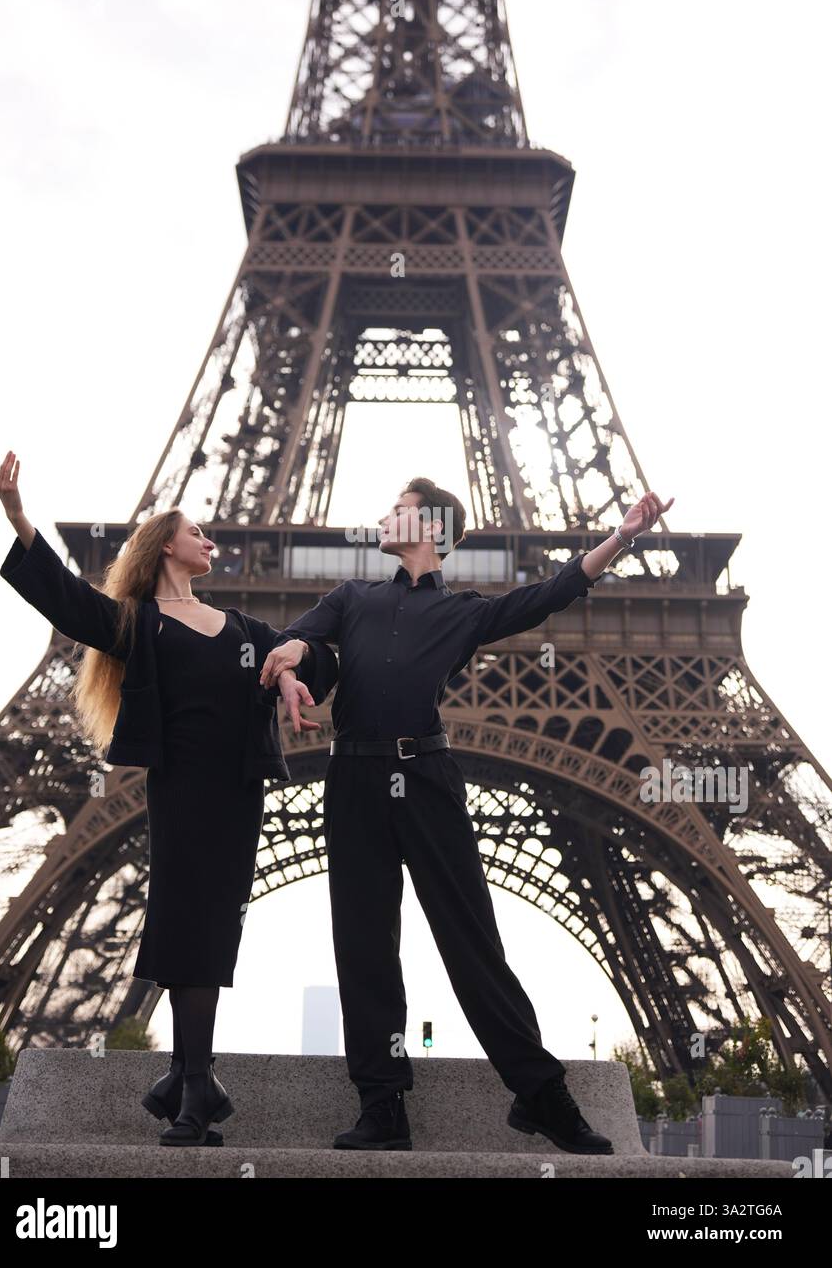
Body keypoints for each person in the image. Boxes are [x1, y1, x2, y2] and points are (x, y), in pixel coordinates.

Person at [261, 475, 673, 1154]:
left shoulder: (465, 614)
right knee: (363, 946)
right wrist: (288, 667)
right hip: (355, 777)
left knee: (473, 940)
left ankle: (541, 1094)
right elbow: (302, 641)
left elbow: (548, 595)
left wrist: (622, 537)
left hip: (426, 776)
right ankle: (382, 1106)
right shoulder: (353, 598)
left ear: (433, 531)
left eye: (398, 510)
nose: (385, 516)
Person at [0, 449, 337, 1148]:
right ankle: (195, 1085)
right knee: (184, 926)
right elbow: (67, 599)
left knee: (212, 929)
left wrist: (295, 671)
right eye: (198, 530)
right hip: (177, 790)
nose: (211, 539)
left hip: (236, 794)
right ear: (165, 546)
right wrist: (18, 515)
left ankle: (185, 1079)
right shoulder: (139, 623)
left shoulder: (243, 631)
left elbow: (310, 650)